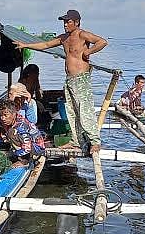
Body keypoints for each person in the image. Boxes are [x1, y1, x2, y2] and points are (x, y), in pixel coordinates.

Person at [14, 9, 108, 155]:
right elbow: (45, 45)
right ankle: (76, 142)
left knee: (84, 110)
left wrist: (88, 52)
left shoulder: (82, 34)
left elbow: (102, 42)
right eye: (64, 22)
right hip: (69, 79)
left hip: (81, 78)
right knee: (72, 111)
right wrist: (25, 45)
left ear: (76, 22)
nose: (65, 24)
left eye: (68, 22)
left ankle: (95, 142)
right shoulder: (63, 38)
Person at [0, 100, 45, 167]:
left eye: (5, 115)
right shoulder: (3, 122)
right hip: (21, 147)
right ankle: (18, 156)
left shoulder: (21, 125)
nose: (3, 118)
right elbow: (0, 132)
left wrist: (16, 154)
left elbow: (27, 148)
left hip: (36, 149)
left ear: (13, 114)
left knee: (12, 133)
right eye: (1, 115)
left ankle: (25, 161)